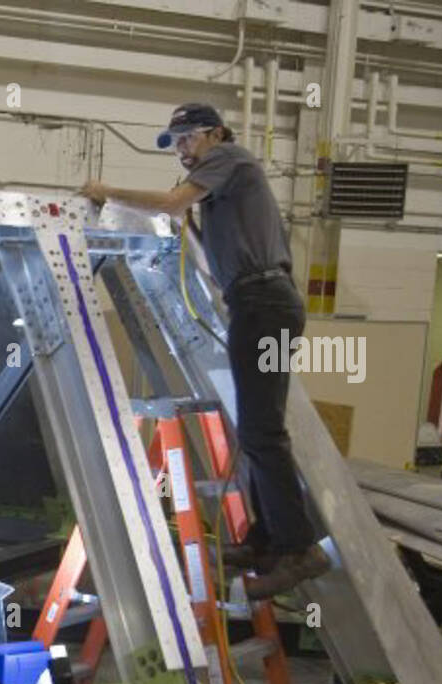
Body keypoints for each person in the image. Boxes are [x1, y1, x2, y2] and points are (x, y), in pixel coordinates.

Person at [81, 102, 331, 600]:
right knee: (255, 429)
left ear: (215, 134)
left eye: (187, 138)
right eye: (174, 142)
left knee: (264, 431)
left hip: (264, 302)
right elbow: (189, 226)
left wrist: (108, 192)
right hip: (254, 302)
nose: (180, 150)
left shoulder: (231, 158)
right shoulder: (221, 189)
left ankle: (302, 550)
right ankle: (265, 541)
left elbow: (171, 203)